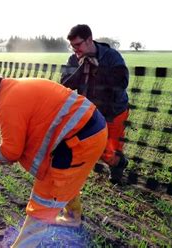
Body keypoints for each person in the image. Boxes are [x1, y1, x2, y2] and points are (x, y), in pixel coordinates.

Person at [0, 74, 107, 247]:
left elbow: (10, 152)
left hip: (76, 143)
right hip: (92, 129)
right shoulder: (17, 87)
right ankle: (72, 218)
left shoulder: (8, 103)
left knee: (43, 204)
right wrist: (10, 153)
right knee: (66, 180)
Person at [60, 24, 129, 184]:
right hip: (89, 112)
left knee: (110, 153)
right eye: (72, 46)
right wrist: (83, 67)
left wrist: (97, 69)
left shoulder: (112, 56)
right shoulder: (73, 60)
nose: (75, 50)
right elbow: (65, 83)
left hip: (114, 111)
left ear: (89, 39)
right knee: (90, 146)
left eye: (78, 45)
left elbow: (122, 82)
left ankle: (119, 165)